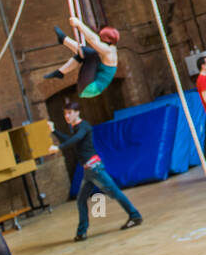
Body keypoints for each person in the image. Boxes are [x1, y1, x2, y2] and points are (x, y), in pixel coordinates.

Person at [48, 100, 143, 242]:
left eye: (69, 113)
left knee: (115, 193)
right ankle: (81, 233)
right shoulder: (75, 128)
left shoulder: (83, 126)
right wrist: (54, 131)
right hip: (89, 171)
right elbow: (72, 140)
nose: (67, 116)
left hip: (95, 169)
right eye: (65, 114)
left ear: (77, 113)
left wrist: (59, 148)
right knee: (81, 200)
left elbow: (76, 139)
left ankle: (135, 216)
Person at [45, 17, 118, 99]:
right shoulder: (109, 49)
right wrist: (79, 24)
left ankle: (64, 40)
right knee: (85, 55)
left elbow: (93, 40)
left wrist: (79, 24)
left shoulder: (109, 52)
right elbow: (95, 39)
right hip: (90, 86)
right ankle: (60, 72)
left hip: (90, 88)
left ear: (106, 40)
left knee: (92, 54)